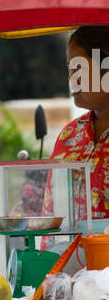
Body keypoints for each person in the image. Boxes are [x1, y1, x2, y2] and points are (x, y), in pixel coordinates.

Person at [52, 26, 109, 217]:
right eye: (70, 69)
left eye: (79, 68)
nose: (71, 79)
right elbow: (53, 214)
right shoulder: (69, 135)